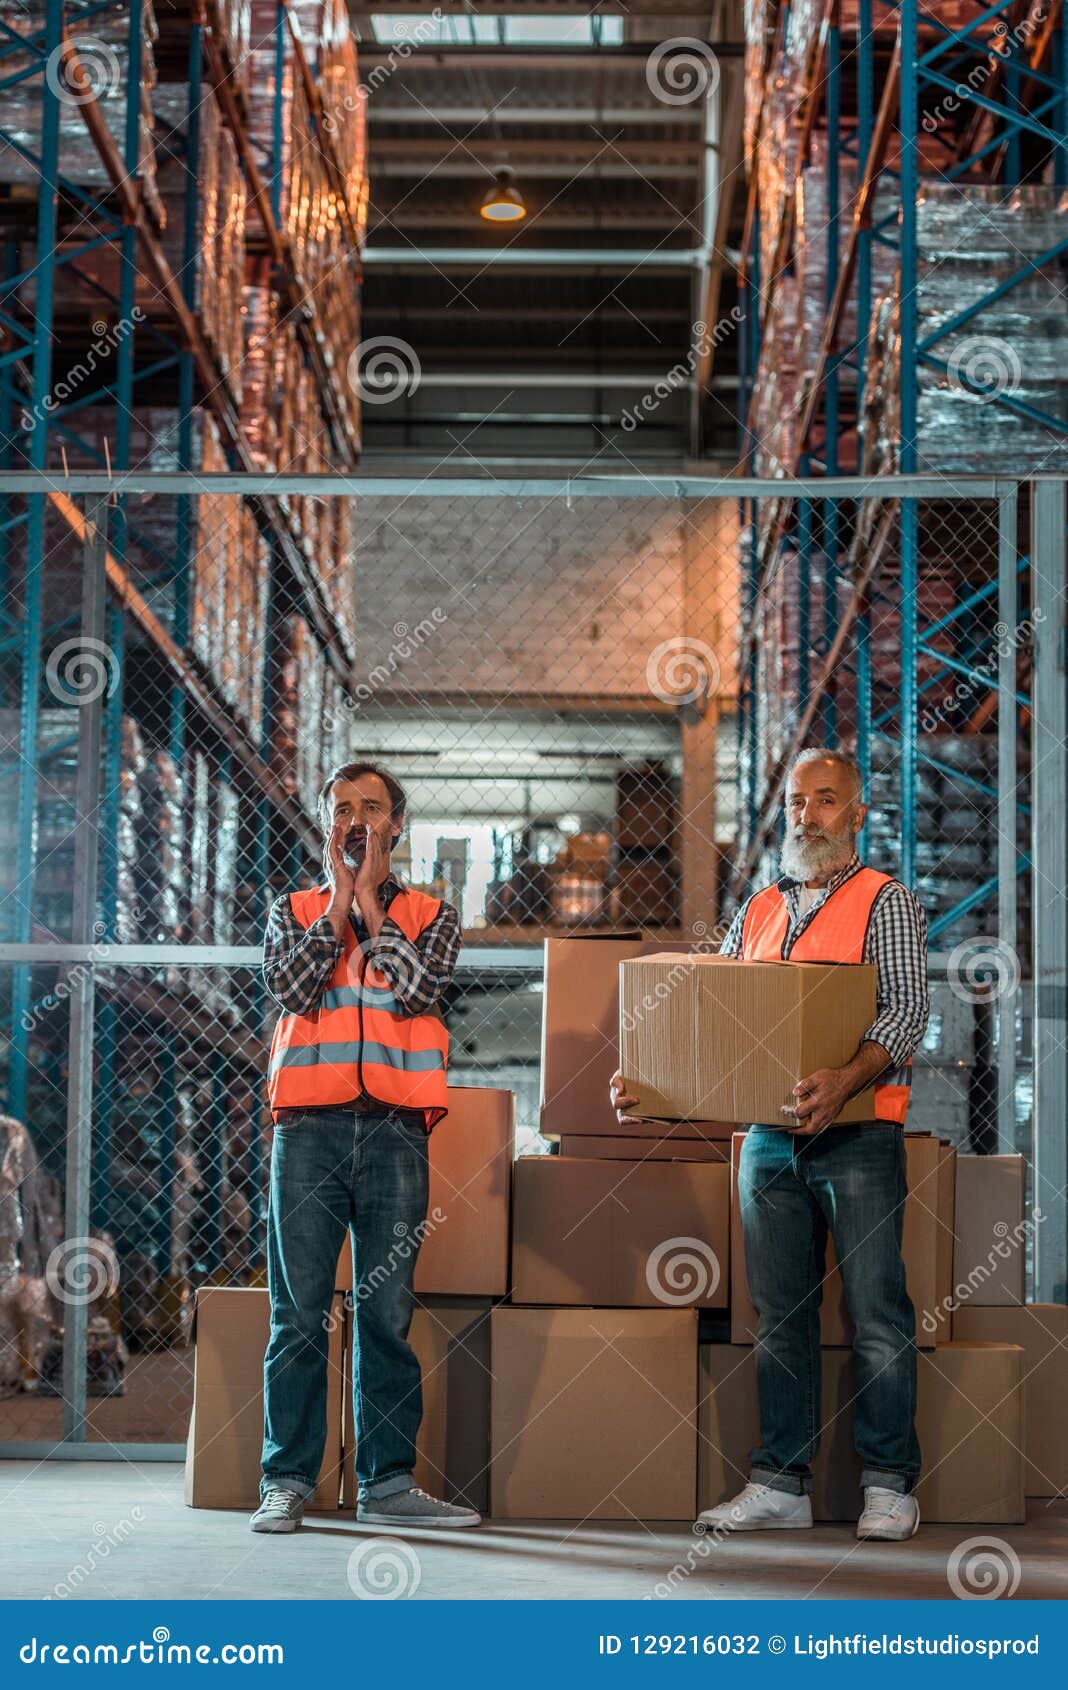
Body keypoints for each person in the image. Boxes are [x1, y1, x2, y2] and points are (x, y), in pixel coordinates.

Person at [611, 748, 929, 1542]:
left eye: (825, 801)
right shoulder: (757, 910)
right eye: (796, 802)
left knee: (877, 1309)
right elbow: (718, 1029)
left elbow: (905, 1012)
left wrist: (844, 1080)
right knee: (782, 1312)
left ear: (856, 814)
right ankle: (781, 1482)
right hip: (768, 1143)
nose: (806, 815)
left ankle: (890, 1484)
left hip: (857, 1136)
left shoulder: (885, 902)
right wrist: (652, 1094)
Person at [250, 761, 479, 1533]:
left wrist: (373, 912)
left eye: (371, 809)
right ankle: (284, 1481)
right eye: (342, 808)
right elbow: (290, 988)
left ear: (396, 827)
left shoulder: (433, 913)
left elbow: (417, 991)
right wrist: (339, 906)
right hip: (307, 1131)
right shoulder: (291, 907)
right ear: (325, 826)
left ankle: (387, 1485)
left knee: (385, 1314)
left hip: (394, 1134)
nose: (355, 820)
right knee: (298, 1314)